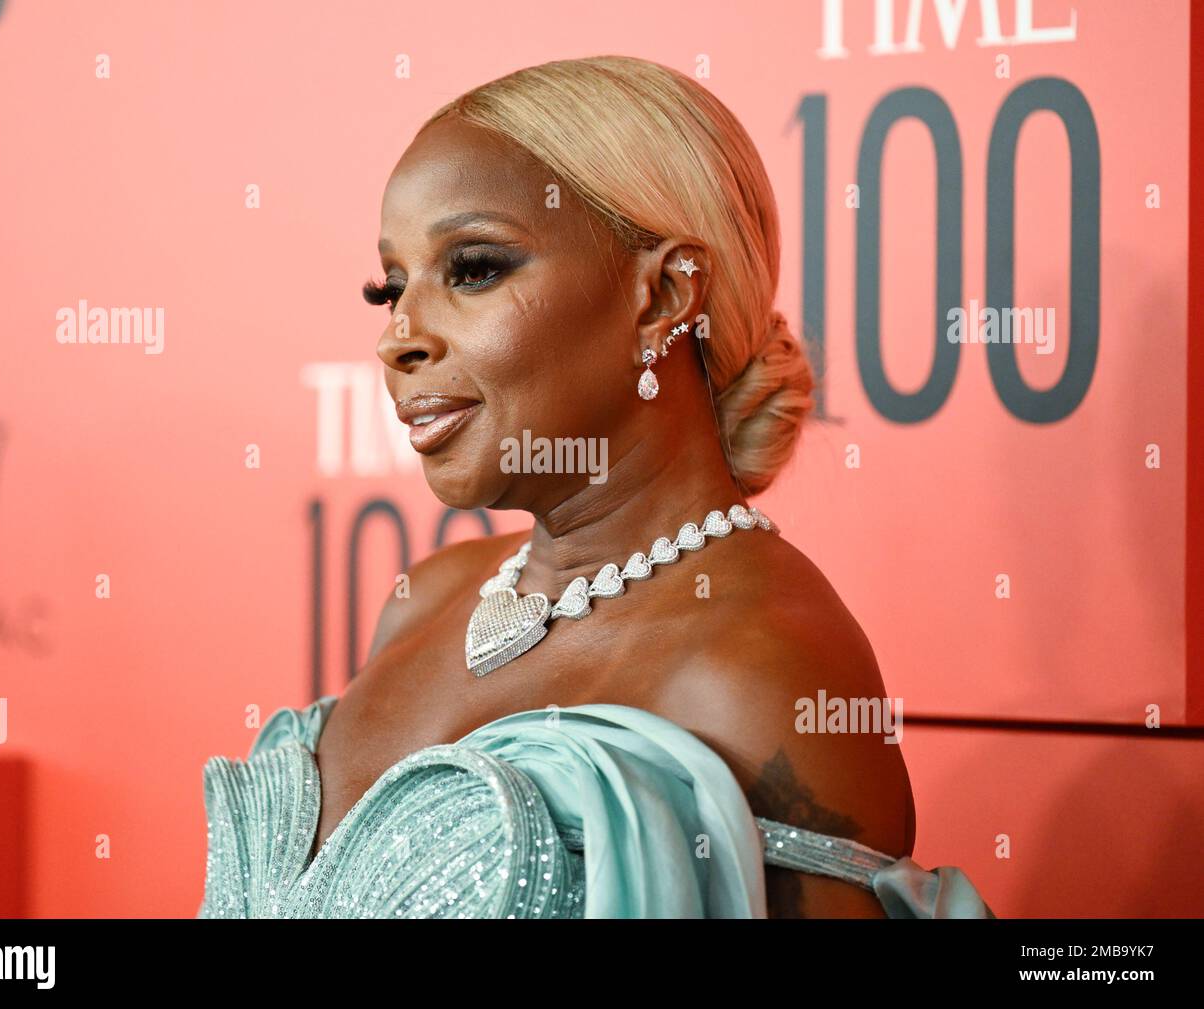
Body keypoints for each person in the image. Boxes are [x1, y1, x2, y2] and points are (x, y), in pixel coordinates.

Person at [197, 55, 994, 919]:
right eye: (389, 287)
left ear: (663, 297)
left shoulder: (761, 668)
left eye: (474, 268)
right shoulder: (423, 600)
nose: (399, 337)